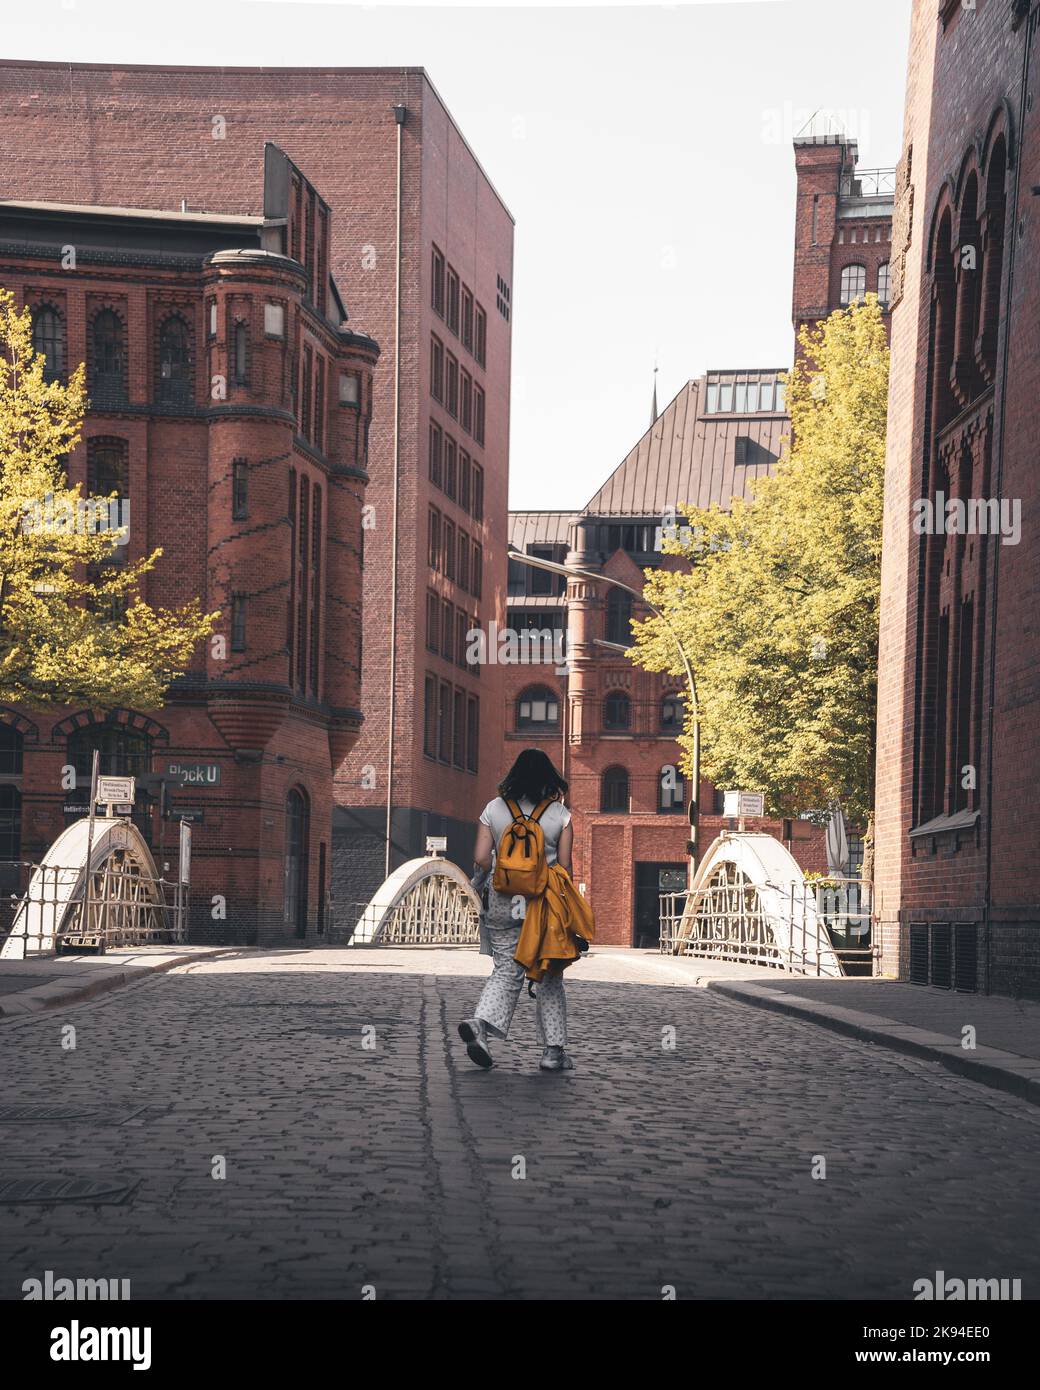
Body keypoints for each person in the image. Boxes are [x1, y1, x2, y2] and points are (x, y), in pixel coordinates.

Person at [458, 748, 575, 1072]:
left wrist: (493, 875)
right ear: (549, 779)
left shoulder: (493, 809)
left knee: (506, 970)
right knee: (549, 975)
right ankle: (553, 1052)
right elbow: (564, 867)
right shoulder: (560, 815)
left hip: (502, 898)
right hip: (543, 903)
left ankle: (480, 1026)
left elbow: (481, 857)